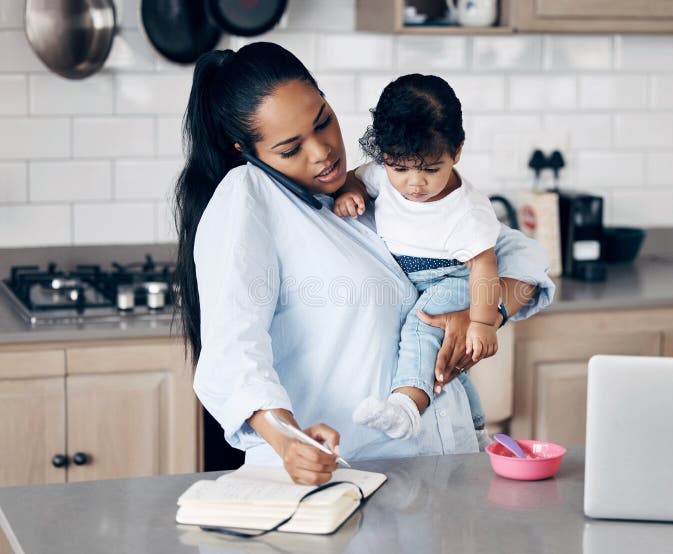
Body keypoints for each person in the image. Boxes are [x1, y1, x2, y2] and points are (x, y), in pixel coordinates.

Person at [174, 42, 555, 486]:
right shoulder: (249, 198)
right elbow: (233, 352)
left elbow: (525, 260)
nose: (322, 152)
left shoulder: (386, 192)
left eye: (323, 122)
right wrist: (287, 440)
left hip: (440, 468)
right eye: (291, 148)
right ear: (247, 150)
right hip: (342, 475)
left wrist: (481, 314)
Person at [334, 74, 503, 445]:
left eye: (429, 170)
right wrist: (349, 191)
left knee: (420, 329)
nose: (414, 184)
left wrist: (482, 322)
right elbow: (354, 179)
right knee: (442, 358)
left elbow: (484, 266)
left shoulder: (468, 211)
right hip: (412, 280)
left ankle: (407, 407)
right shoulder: (382, 176)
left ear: (457, 152)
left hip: (451, 279)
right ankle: (476, 427)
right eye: (400, 168)